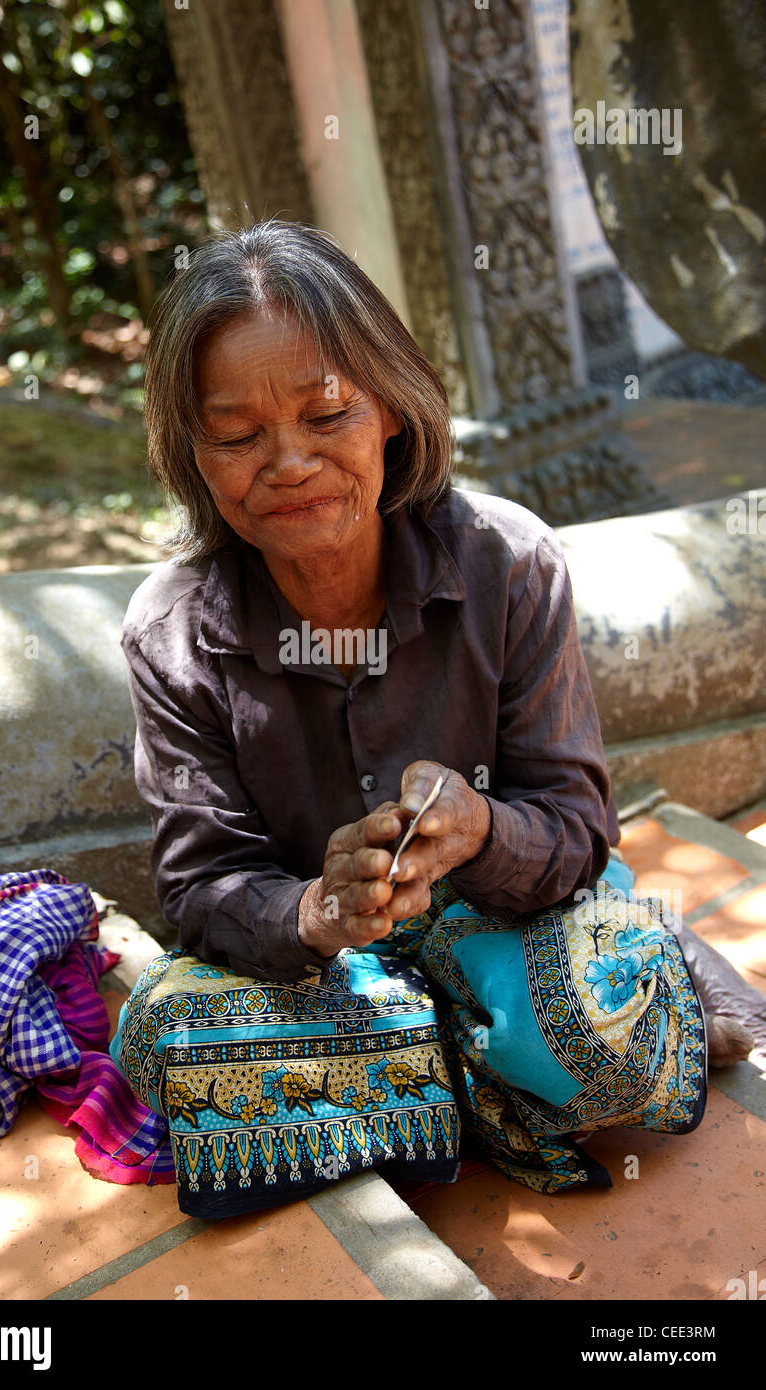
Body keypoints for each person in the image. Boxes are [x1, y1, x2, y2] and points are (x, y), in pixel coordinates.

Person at [110, 219, 752, 1219]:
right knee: (159, 1036)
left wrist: (479, 830)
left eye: (325, 415)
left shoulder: (508, 563)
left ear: (390, 413)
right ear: (193, 453)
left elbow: (577, 829)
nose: (284, 461)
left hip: (511, 927)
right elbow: (199, 883)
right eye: (235, 434)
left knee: (589, 1021)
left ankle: (423, 1094)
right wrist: (317, 910)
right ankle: (491, 1087)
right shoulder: (172, 629)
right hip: (330, 978)